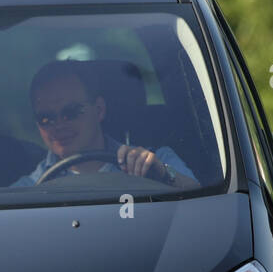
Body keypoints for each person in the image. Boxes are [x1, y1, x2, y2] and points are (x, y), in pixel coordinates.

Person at [12, 60, 200, 188]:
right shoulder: (27, 191)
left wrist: (162, 175)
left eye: (71, 112)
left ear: (99, 109)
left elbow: (200, 198)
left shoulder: (155, 162)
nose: (59, 125)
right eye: (46, 118)